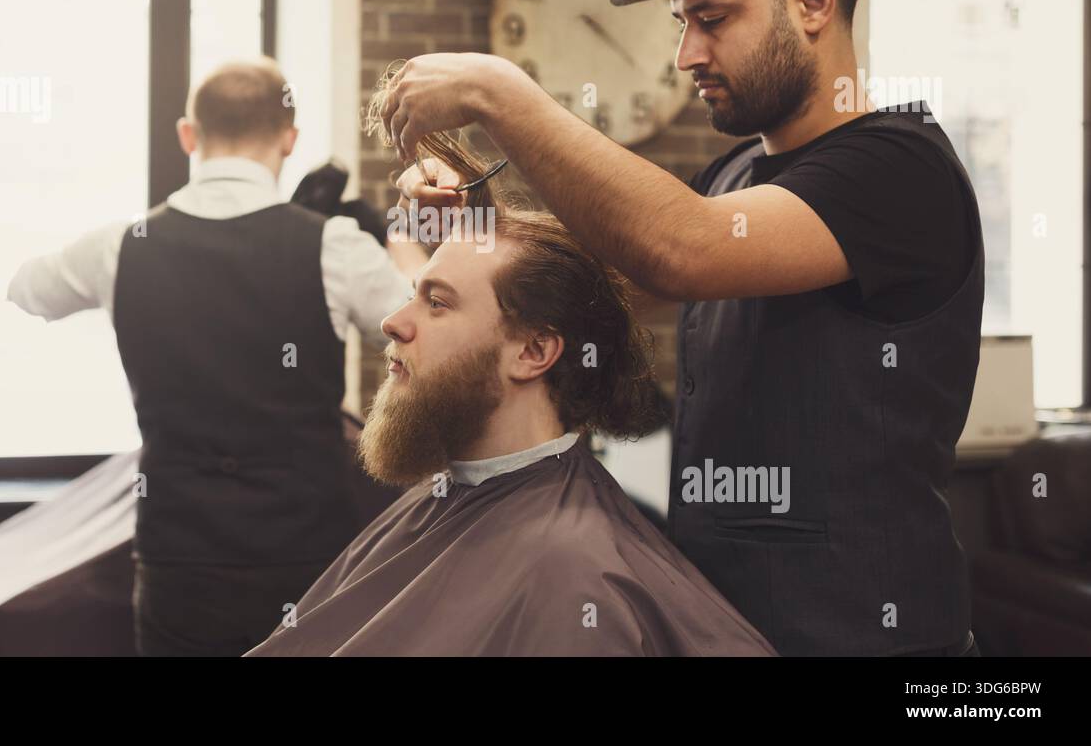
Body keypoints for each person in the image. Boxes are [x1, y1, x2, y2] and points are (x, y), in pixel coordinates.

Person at [377, 0, 984, 656]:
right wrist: (471, 219)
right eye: (681, 24)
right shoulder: (734, 176)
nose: (687, 55)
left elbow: (678, 250)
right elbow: (613, 283)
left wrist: (500, 92)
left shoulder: (899, 169)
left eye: (714, 18)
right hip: (721, 627)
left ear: (813, 2)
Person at [7, 57, 427, 656]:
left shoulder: (120, 248)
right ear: (290, 138)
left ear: (188, 135)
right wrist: (401, 247)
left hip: (180, 555)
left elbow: (26, 289)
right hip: (306, 553)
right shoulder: (334, 246)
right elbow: (426, 329)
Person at [245, 191, 776, 656]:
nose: (393, 322)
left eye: (437, 303)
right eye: (414, 293)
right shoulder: (446, 497)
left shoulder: (576, 577)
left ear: (533, 351)